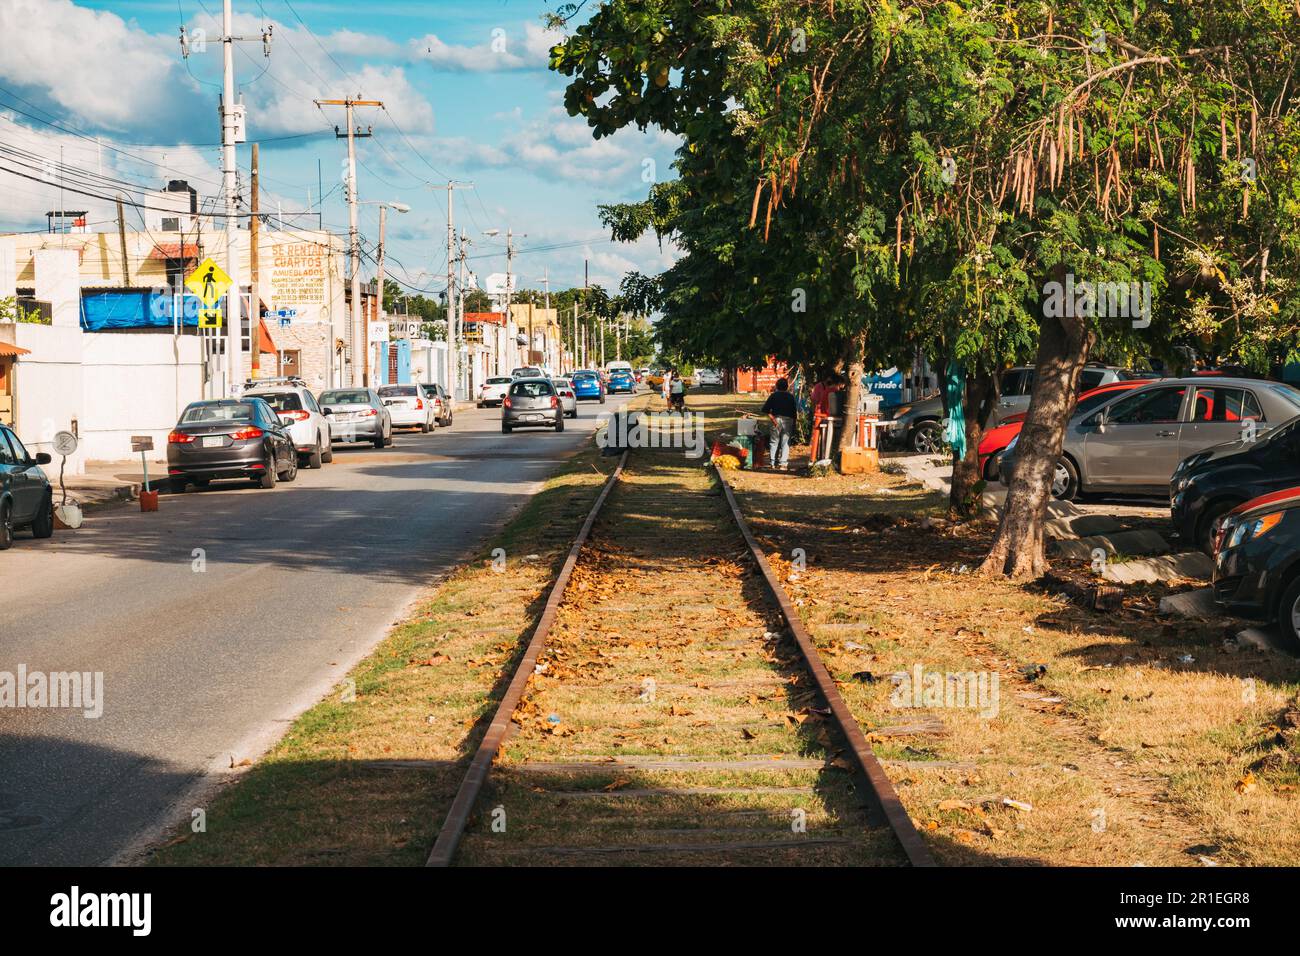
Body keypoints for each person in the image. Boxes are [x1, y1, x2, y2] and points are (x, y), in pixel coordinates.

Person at [760, 377, 799, 471]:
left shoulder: (773, 396)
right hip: (788, 421)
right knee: (785, 443)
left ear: (777, 386)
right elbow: (794, 412)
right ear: (787, 387)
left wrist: (773, 419)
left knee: (774, 442)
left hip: (776, 420)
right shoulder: (791, 397)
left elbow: (765, 410)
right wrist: (794, 424)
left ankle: (773, 463)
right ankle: (783, 464)